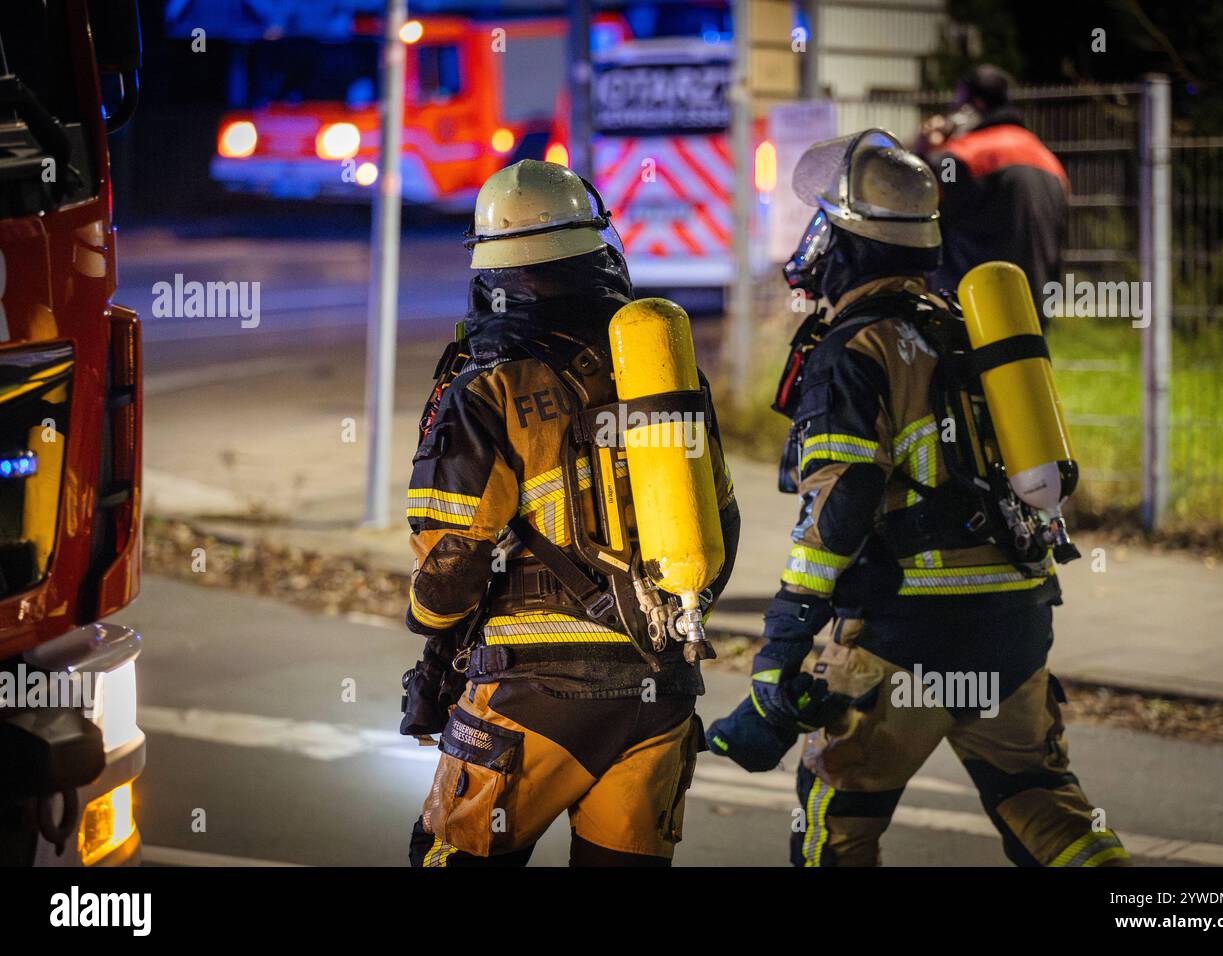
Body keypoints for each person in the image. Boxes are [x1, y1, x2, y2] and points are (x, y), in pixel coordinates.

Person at [706, 131, 1130, 868]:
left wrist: (781, 642)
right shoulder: (967, 330)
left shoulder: (852, 349)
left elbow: (843, 501)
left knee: (837, 816)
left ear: (846, 244)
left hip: (904, 632)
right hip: (1015, 618)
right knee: (1042, 803)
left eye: (822, 226)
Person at [403, 159, 740, 867]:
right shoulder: (667, 379)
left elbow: (451, 568)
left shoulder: (487, 387)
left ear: (494, 273)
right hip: (661, 687)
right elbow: (720, 524)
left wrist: (430, 631)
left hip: (533, 696)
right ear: (601, 255)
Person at [916, 65, 1069, 326]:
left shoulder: (964, 154)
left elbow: (917, 189)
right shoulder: (1048, 160)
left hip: (975, 311)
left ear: (974, 104)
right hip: (1033, 309)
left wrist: (926, 147)